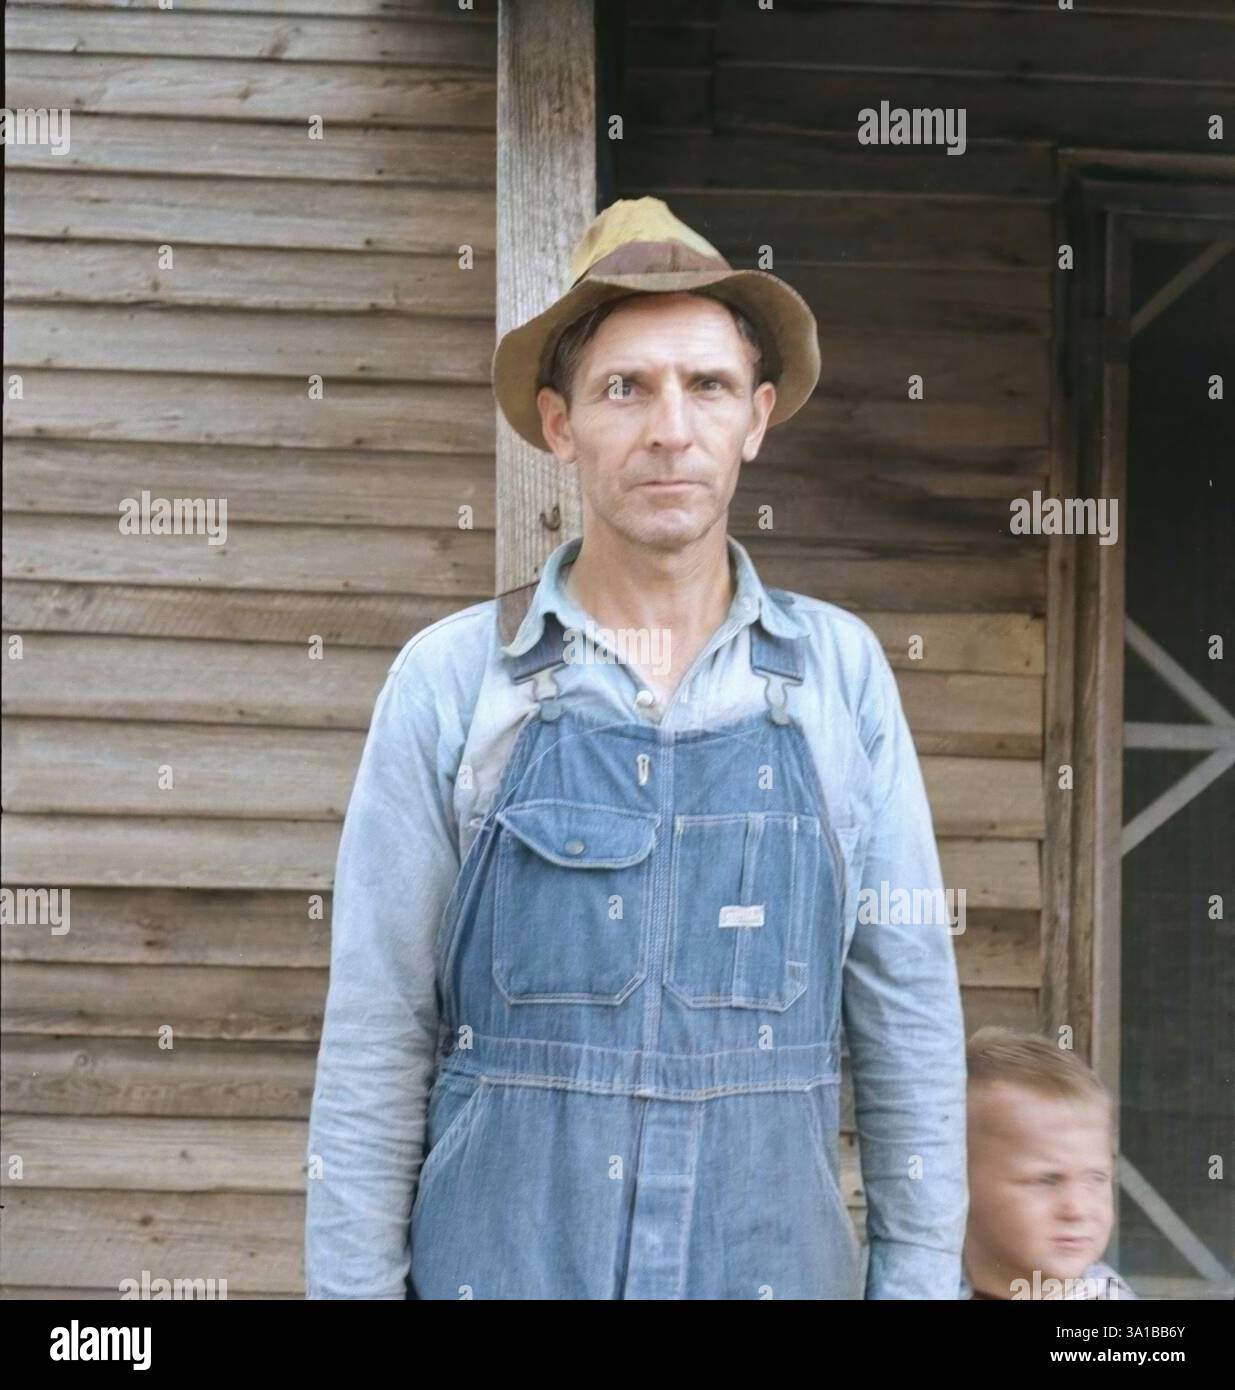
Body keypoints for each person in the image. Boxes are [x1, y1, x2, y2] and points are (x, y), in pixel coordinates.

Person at [304, 196, 968, 1299]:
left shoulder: (839, 679)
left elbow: (907, 1030)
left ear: (754, 418)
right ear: (561, 424)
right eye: (625, 387)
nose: (670, 427)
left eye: (704, 385)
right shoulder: (455, 681)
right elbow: (376, 1036)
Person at [961, 1026, 1139, 1300]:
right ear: (960, 1180)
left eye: (1096, 1179)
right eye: (1046, 1180)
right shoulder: (913, 1285)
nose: (1077, 1210)